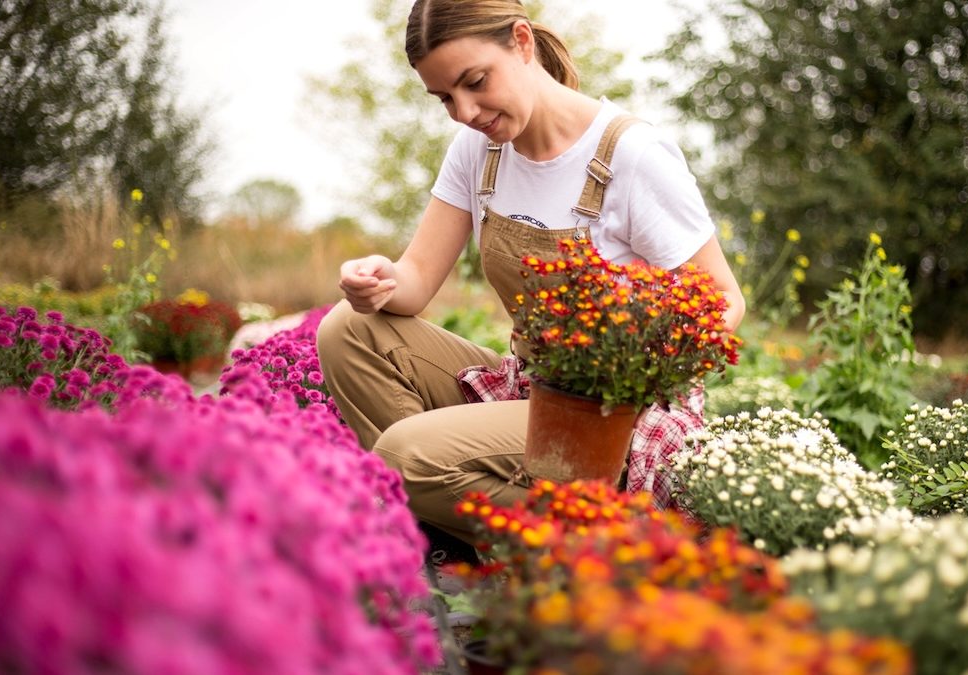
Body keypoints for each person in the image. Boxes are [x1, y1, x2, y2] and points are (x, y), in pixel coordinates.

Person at [316, 0, 744, 547]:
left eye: (475, 82)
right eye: (445, 97)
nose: (465, 111)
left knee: (404, 456)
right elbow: (417, 278)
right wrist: (376, 280)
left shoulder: (632, 155)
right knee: (347, 330)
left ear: (522, 42)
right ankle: (454, 515)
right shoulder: (480, 150)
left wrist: (631, 359)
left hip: (613, 415)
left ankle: (616, 546)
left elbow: (725, 299)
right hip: (532, 386)